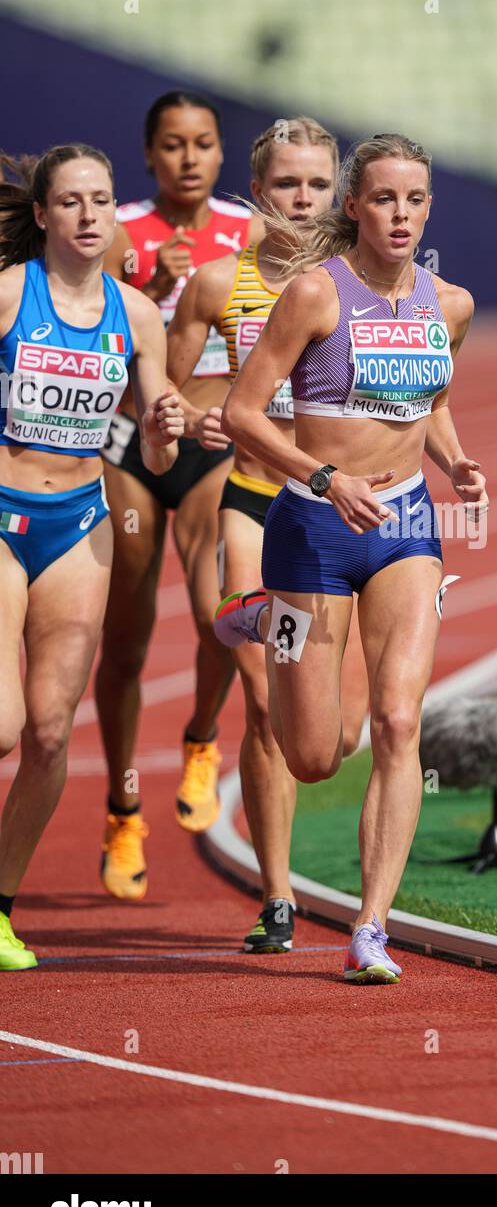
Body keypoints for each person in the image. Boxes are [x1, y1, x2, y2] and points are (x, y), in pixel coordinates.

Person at [219, 133, 487, 983]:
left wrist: (456, 462)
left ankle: (372, 927)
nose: (399, 215)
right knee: (314, 755)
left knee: (400, 722)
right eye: (382, 199)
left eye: (413, 200)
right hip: (310, 528)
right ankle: (262, 616)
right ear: (354, 207)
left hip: (405, 525)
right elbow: (242, 413)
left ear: (430, 208)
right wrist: (324, 476)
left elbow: (432, 404)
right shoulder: (312, 296)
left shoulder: (450, 305)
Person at [168, 116, 369, 954]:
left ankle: (252, 620)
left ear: (339, 194)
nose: (303, 198)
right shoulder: (218, 284)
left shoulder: (357, 284)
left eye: (318, 184)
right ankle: (279, 895)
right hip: (252, 504)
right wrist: (191, 419)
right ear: (258, 193)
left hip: (335, 517)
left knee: (343, 732)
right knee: (263, 702)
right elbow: (165, 396)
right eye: (287, 183)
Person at [0, 144, 182, 970]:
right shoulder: (9, 297)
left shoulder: (138, 315)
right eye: (69, 201)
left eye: (101, 201)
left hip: (81, 525)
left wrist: (163, 429)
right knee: (3, 726)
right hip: (1, 519)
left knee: (45, 734)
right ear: (41, 215)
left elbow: (160, 452)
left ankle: (0, 909)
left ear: (115, 214)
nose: (86, 215)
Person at [95, 90, 262, 901]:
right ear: (149, 153)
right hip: (130, 440)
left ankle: (202, 737)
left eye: (202, 143)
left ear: (221, 153)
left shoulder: (251, 232)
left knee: (214, 615)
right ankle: (123, 808)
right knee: (125, 639)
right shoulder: (119, 228)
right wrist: (141, 280)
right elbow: (87, 322)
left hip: (206, 440)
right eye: (171, 144)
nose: (188, 158)